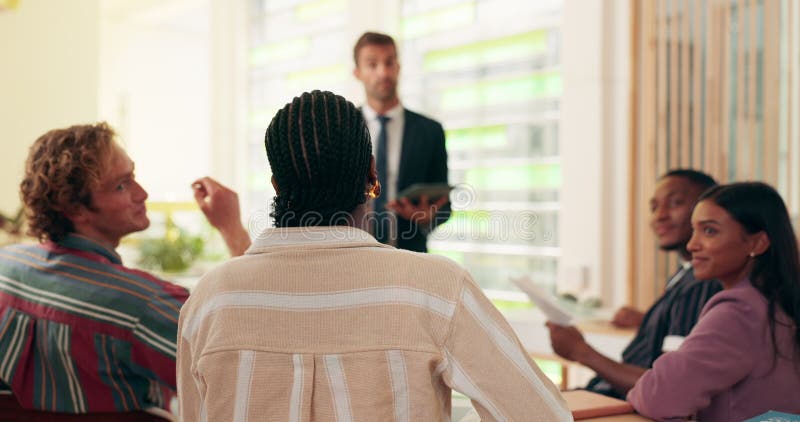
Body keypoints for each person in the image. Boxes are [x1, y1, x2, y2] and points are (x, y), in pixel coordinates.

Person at [177, 91, 571, 421]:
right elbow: (542, 416)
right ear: (372, 175)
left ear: (276, 185)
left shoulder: (208, 301)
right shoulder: (437, 290)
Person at [0, 122, 250, 414]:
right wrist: (232, 229)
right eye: (122, 185)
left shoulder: (7, 264)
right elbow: (247, 371)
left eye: (133, 176)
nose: (142, 193)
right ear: (75, 209)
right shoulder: (147, 305)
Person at [628, 182, 800, 420]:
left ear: (757, 243)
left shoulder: (740, 312)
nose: (692, 245)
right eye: (694, 230)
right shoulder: (777, 300)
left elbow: (658, 397)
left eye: (709, 231)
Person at [546, 169, 722, 398]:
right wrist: (648, 319)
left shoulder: (701, 283)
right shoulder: (684, 275)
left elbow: (670, 386)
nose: (660, 215)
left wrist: (581, 351)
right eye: (654, 207)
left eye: (675, 203)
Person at [353, 31, 450, 252]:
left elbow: (445, 205)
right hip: (354, 259)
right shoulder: (343, 127)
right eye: (372, 64)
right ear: (357, 73)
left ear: (398, 67)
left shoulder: (430, 131)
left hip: (411, 259)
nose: (383, 72)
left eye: (389, 62)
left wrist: (429, 217)